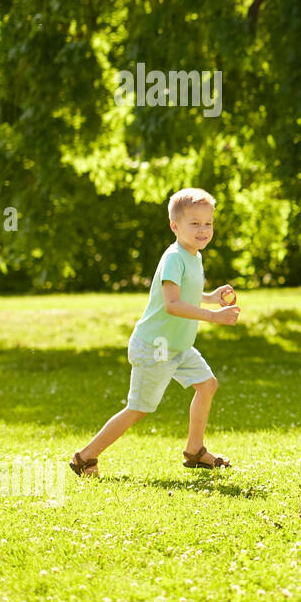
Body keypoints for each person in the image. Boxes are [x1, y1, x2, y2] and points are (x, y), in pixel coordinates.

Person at [69, 188, 240, 477]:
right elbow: (173, 305)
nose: (203, 230)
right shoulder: (174, 257)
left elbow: (187, 294)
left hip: (179, 346)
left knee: (207, 385)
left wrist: (212, 297)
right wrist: (214, 316)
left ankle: (194, 451)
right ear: (175, 226)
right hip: (155, 346)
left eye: (208, 223)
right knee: (139, 408)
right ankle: (85, 457)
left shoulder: (193, 256)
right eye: (194, 223)